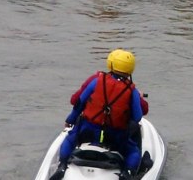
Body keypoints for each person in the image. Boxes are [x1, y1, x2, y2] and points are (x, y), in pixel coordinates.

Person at [50, 49, 147, 180]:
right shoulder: (132, 90)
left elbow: (79, 103)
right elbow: (137, 117)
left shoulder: (97, 80)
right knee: (133, 151)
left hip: (87, 130)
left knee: (70, 138)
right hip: (115, 136)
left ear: (111, 64)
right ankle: (127, 173)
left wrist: (70, 120)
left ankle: (62, 166)